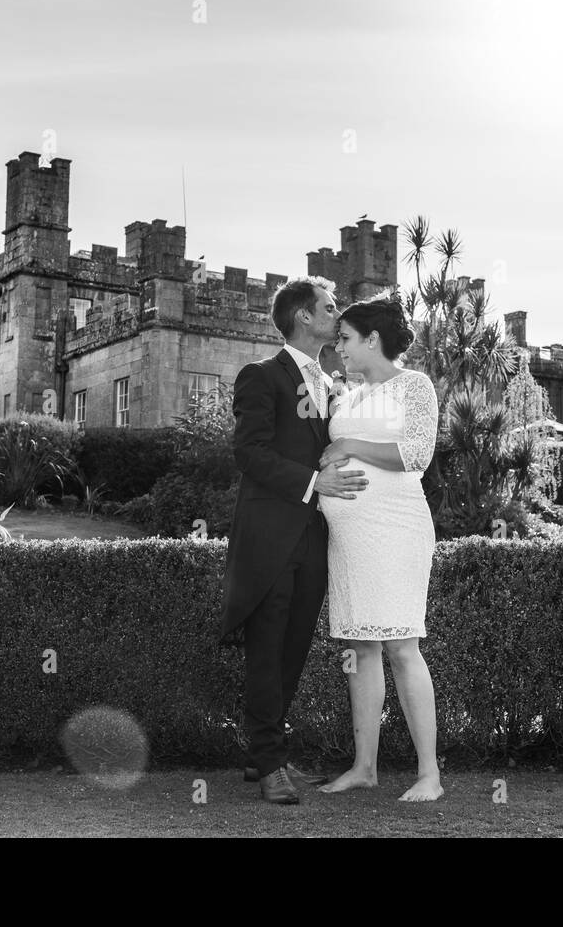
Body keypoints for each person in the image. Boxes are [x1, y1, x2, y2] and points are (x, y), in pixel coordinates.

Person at [218, 276, 369, 805]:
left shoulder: (330, 382)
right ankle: (269, 761)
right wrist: (312, 483)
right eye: (330, 307)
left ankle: (264, 755)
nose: (337, 314)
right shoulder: (261, 376)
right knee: (266, 647)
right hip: (270, 537)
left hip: (315, 538)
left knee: (293, 649)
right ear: (304, 316)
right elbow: (249, 452)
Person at [315, 292, 444, 802]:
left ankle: (429, 774)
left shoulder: (415, 385)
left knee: (401, 644)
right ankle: (364, 767)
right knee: (361, 648)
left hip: (395, 529)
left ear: (372, 339)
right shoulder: (345, 394)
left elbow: (416, 453)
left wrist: (347, 446)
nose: (339, 348)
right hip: (348, 538)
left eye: (345, 339)